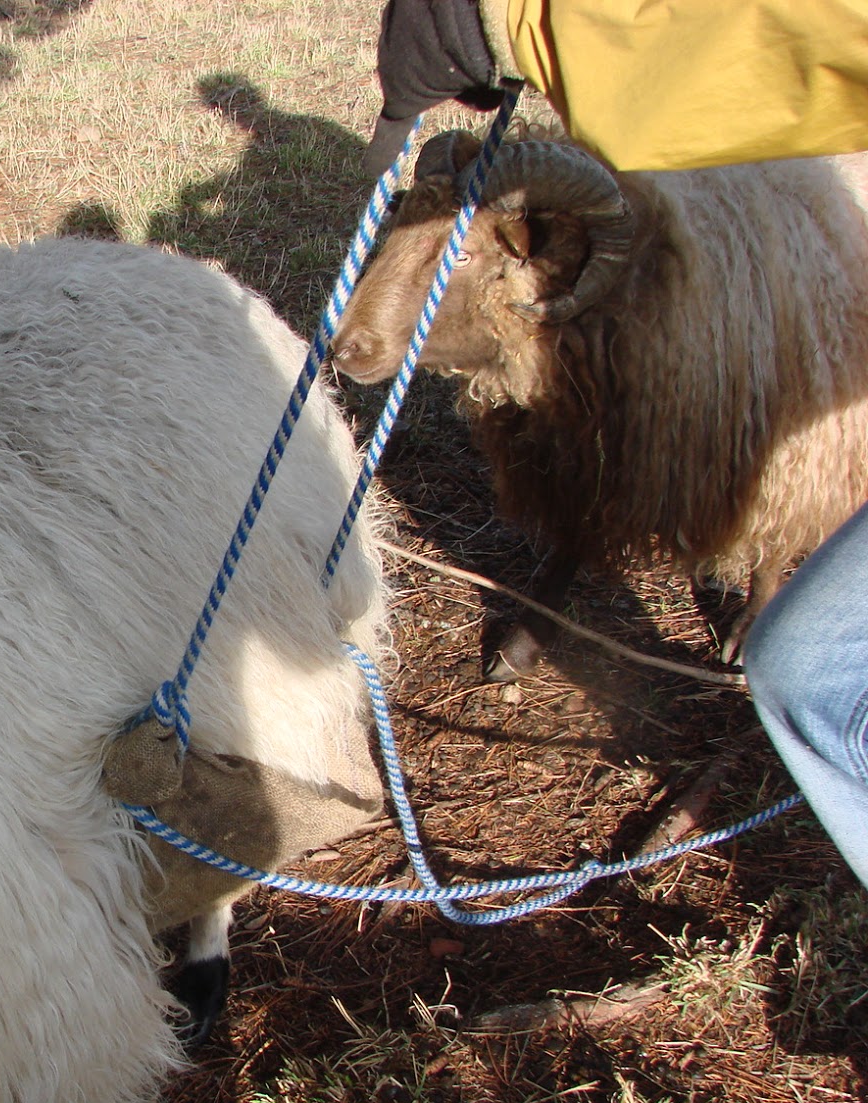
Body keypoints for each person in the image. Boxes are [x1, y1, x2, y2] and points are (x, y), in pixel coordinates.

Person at [365, 0, 868, 887]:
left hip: (764, 202)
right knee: (564, 448)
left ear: (529, 262)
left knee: (784, 468)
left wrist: (509, 20)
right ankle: (571, 557)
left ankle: (769, 573)